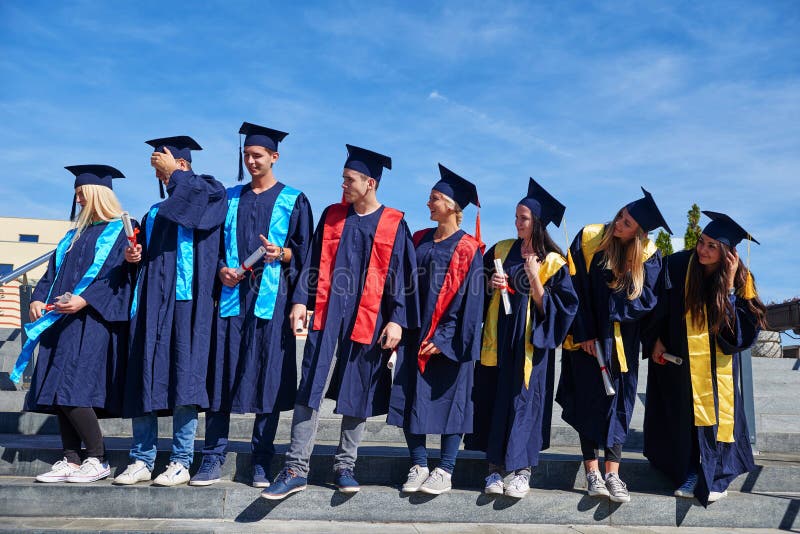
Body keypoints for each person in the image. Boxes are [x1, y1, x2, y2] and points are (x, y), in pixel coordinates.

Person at [262, 144, 419, 500]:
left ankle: (344, 466)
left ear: (370, 182)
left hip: (371, 319)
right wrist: (300, 299)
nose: (343, 185)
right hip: (328, 317)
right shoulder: (333, 215)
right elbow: (312, 263)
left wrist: (397, 321)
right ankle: (296, 467)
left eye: (350, 179)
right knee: (311, 388)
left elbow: (404, 278)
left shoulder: (394, 224)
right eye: (343, 178)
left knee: (358, 392)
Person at [189, 122, 313, 487]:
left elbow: (308, 254)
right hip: (230, 301)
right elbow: (207, 248)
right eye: (247, 155)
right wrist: (219, 271)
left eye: (258, 155)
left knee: (268, 378)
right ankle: (212, 456)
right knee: (221, 376)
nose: (251, 161)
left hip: (271, 305)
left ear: (275, 157)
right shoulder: (228, 198)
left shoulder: (294, 199)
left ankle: (261, 459)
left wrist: (285, 252)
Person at [116, 136, 227, 487]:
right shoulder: (154, 213)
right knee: (145, 377)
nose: (160, 176)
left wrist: (174, 176)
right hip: (153, 305)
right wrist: (133, 257)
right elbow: (146, 256)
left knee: (186, 378)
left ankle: (181, 460)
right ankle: (142, 458)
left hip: (190, 306)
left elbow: (197, 209)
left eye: (163, 166)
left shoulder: (211, 190)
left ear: (182, 165)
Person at [16, 165, 133, 484]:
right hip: (59, 322)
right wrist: (37, 299)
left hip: (92, 322)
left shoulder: (122, 229)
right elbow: (51, 276)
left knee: (74, 389)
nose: (78, 199)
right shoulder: (72, 236)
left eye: (82, 193)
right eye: (77, 194)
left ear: (98, 194)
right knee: (57, 391)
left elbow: (120, 276)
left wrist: (85, 300)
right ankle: (70, 459)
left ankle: (97, 458)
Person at [643, 211, 766, 506]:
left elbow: (743, 332)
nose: (703, 250)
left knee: (715, 420)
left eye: (712, 246)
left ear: (728, 253)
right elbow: (656, 304)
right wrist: (655, 340)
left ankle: (716, 475)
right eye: (702, 242)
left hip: (717, 363)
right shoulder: (677, 264)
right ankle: (687, 472)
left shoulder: (741, 279)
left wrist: (728, 289)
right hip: (679, 359)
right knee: (682, 417)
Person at [466, 178, 578, 498]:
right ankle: (495, 470)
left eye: (523, 218)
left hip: (532, 344)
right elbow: (477, 287)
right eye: (516, 217)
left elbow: (559, 310)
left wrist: (533, 277)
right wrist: (492, 284)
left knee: (525, 403)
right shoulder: (501, 250)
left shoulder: (554, 263)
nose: (517, 223)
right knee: (497, 400)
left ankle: (521, 470)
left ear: (537, 223)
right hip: (499, 339)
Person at [555, 187, 669, 503]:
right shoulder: (590, 237)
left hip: (622, 343)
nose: (618, 223)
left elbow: (647, 299)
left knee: (619, 405)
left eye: (627, 222)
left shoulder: (648, 255)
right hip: (586, 339)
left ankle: (613, 474)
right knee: (589, 402)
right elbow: (572, 288)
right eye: (621, 215)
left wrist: (615, 311)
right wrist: (586, 333)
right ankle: (592, 472)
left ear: (639, 233)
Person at [387, 164, 484, 495]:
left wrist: (445, 339)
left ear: (452, 207)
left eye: (434, 198)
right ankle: (418, 464)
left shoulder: (469, 249)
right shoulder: (419, 239)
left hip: (450, 340)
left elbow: (472, 303)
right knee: (410, 396)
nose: (428, 203)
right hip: (415, 334)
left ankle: (445, 469)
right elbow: (401, 283)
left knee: (452, 401)